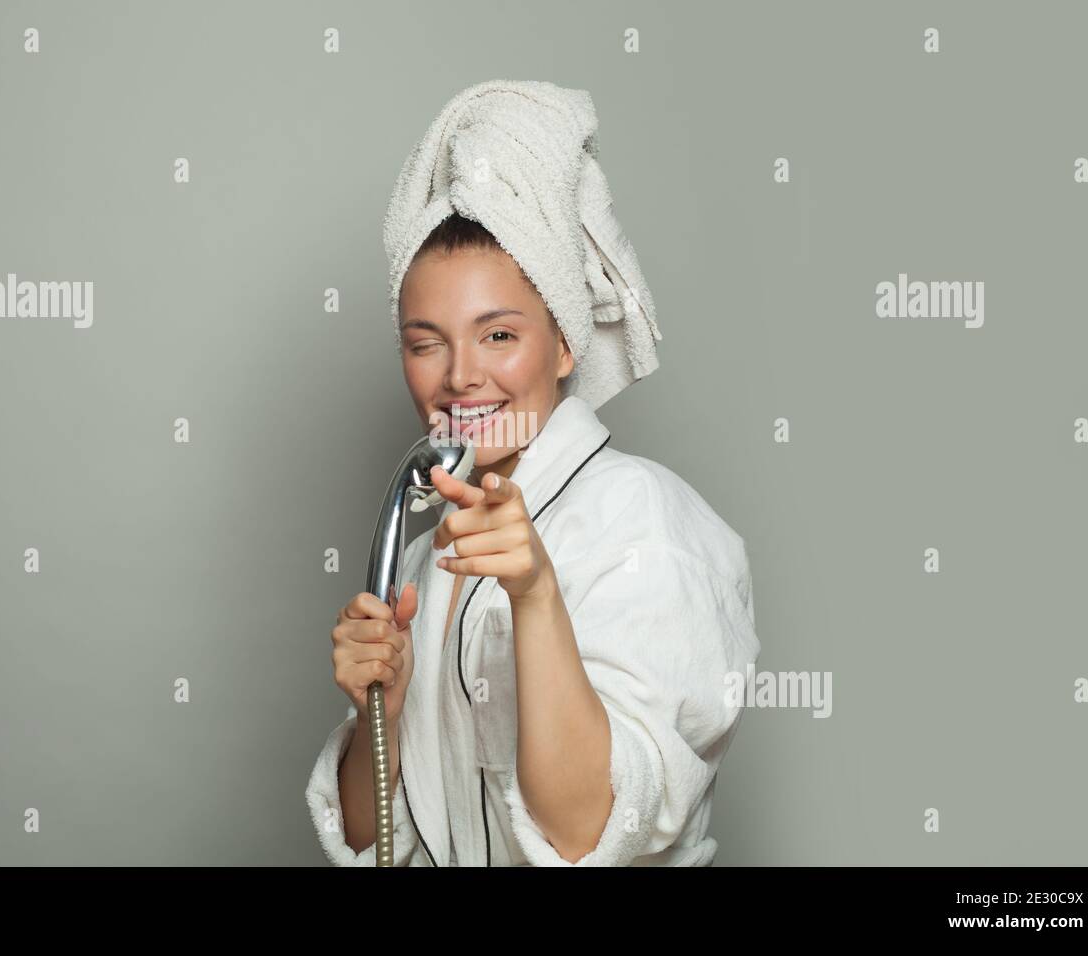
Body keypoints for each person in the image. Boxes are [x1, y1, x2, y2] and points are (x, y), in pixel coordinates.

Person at [305, 81, 760, 866]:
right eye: (425, 343)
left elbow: (591, 836)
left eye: (500, 334)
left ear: (565, 345)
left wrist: (536, 596)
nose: (459, 378)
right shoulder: (429, 559)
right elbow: (385, 840)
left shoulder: (646, 523)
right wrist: (382, 707)